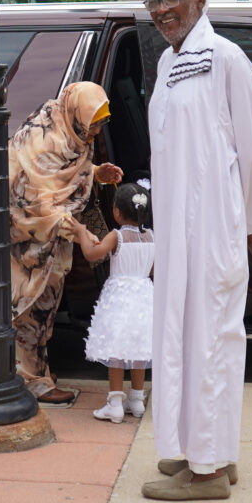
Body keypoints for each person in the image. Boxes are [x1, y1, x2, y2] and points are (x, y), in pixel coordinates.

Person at [140, 0, 252, 501]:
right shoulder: (168, 64)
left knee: (212, 338)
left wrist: (251, 223)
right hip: (177, 233)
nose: (163, 9)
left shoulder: (225, 58)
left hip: (215, 226)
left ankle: (210, 474)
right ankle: (208, 452)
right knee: (182, 338)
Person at [8, 82, 123, 406]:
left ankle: (37, 371)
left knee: (44, 311)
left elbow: (67, 173)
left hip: (53, 241)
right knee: (29, 313)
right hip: (29, 243)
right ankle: (31, 382)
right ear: (76, 117)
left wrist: (98, 173)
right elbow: (37, 198)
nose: (97, 133)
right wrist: (80, 232)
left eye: (101, 124)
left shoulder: (68, 132)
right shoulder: (43, 139)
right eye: (93, 125)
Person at [73, 180, 155, 425]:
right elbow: (153, 270)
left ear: (117, 212)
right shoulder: (152, 236)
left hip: (120, 297)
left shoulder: (117, 236)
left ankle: (116, 404)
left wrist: (80, 233)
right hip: (143, 295)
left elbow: (91, 254)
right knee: (139, 348)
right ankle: (137, 400)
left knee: (117, 351)